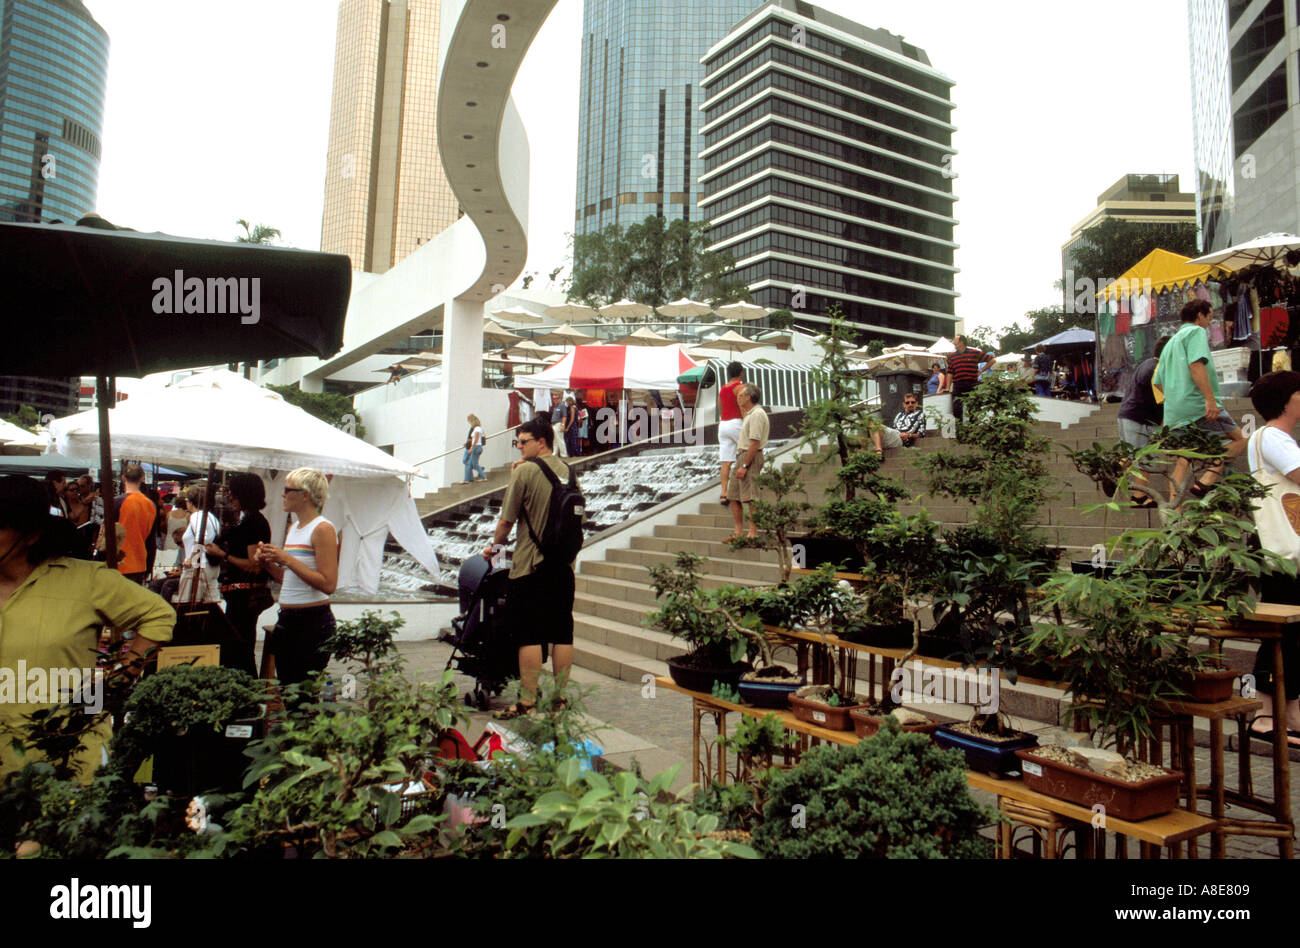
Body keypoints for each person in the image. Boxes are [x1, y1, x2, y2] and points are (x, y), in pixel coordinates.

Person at [0, 475, 174, 778]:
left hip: (64, 755)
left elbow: (159, 615)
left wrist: (117, 681)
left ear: (30, 536)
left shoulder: (87, 580)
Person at [483, 416, 577, 716]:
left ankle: (527, 701)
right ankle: (560, 699)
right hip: (563, 566)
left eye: (523, 442)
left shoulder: (524, 471)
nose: (519, 447)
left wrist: (495, 550)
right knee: (562, 632)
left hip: (530, 566)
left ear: (541, 442)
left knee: (529, 634)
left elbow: (506, 521)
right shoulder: (570, 472)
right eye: (517, 442)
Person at [1243, 371, 1300, 745]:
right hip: (1281, 550)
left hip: (1279, 547)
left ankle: (1288, 715)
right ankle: (1265, 714)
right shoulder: (1274, 438)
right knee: (1283, 630)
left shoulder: (1273, 437)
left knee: (1291, 631)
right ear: (1286, 401)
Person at [1153, 299, 1247, 500]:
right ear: (1199, 316)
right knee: (1240, 440)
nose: (1210, 321)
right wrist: (1210, 399)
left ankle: (1174, 513)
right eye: (1209, 316)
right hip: (1198, 406)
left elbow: (1158, 381)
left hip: (1175, 412)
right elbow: (1196, 366)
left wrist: (1176, 396)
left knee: (1183, 459)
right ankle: (1205, 482)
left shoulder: (1171, 342)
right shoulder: (1196, 333)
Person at [256, 468, 339, 685]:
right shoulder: (294, 527)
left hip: (312, 622)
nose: (282, 494)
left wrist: (287, 559)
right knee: (287, 689)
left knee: (302, 696)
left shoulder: (322, 529)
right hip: (288, 619)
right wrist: (268, 563)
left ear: (305, 495)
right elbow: (288, 579)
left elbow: (329, 584)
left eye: (287, 489)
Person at [205, 473, 272, 678]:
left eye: (233, 495)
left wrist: (222, 554)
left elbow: (254, 565)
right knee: (238, 645)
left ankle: (247, 688)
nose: (230, 499)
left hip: (244, 595)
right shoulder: (248, 520)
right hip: (237, 595)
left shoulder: (254, 522)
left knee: (240, 646)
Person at [1116, 336, 1171, 508]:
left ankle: (1118, 471)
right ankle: (1137, 495)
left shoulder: (1146, 364)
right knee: (1144, 457)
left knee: (1134, 455)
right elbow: (1162, 400)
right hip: (1140, 418)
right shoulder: (1157, 369)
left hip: (1128, 414)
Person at [728, 383, 770, 540]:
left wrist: (745, 465)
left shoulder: (757, 414)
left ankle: (753, 532)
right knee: (733, 495)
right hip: (741, 455)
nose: (738, 398)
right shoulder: (749, 414)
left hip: (750, 456)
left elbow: (755, 442)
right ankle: (738, 532)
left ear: (749, 397)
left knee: (750, 496)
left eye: (741, 396)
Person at [115, 464, 156, 585]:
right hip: (139, 563)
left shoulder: (117, 502)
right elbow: (151, 541)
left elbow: (106, 536)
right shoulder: (150, 505)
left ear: (123, 478)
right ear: (142, 478)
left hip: (118, 563)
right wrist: (149, 567)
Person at [946, 335, 993, 420]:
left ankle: (973, 430)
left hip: (972, 384)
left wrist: (981, 370)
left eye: (955, 341)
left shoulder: (974, 353)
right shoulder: (952, 356)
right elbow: (949, 373)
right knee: (957, 410)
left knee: (973, 410)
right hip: (958, 385)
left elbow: (992, 360)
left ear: (961, 342)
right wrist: (947, 387)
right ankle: (959, 431)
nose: (953, 342)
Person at [718, 362, 745, 506]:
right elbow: (743, 407)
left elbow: (720, 408)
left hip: (723, 424)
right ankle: (745, 487)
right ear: (741, 373)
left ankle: (724, 493)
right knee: (746, 451)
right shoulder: (740, 387)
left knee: (726, 461)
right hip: (736, 422)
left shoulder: (722, 389)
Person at [462, 413, 486, 483]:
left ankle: (468, 479)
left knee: (471, 464)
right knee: (470, 463)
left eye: (468, 420)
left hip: (475, 447)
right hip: (475, 447)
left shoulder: (477, 429)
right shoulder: (477, 428)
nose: (468, 421)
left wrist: (471, 448)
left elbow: (475, 439)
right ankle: (469, 478)